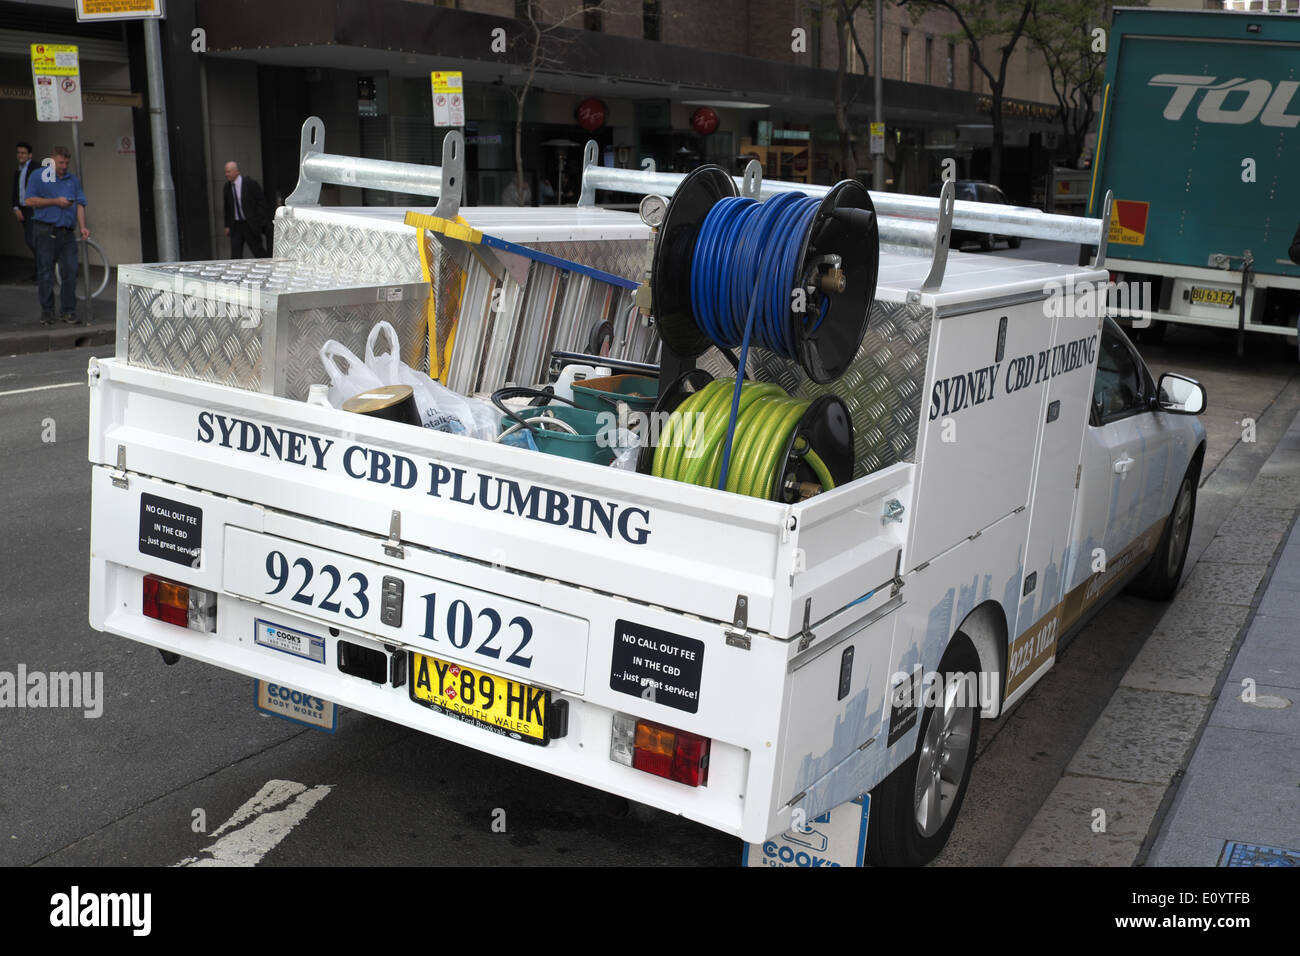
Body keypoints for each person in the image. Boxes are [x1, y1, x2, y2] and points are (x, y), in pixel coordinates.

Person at [24, 145, 88, 326]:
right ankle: (47, 310)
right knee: (45, 272)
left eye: (66, 162)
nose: (64, 166)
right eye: (61, 162)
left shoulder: (72, 180)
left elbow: (80, 204)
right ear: (52, 160)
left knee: (71, 271)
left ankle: (68, 310)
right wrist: (55, 201)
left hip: (66, 231)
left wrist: (83, 227)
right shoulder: (39, 176)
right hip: (45, 230)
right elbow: (29, 200)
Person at [222, 161, 270, 258]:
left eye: (228, 172)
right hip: (236, 226)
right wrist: (227, 225)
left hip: (250, 224)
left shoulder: (250, 184)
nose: (226, 175)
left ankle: (267, 268)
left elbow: (261, 202)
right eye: (225, 172)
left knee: (258, 251)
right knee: (235, 254)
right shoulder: (227, 187)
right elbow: (227, 208)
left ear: (236, 171)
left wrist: (259, 220)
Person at [11, 141, 39, 273]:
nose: (20, 155)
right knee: (30, 240)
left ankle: (43, 269)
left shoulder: (35, 168)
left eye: (23, 153)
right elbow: (15, 191)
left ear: (30, 155)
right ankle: (41, 268)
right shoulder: (18, 170)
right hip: (23, 209)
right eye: (18, 153)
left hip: (33, 208)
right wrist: (16, 208)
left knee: (32, 239)